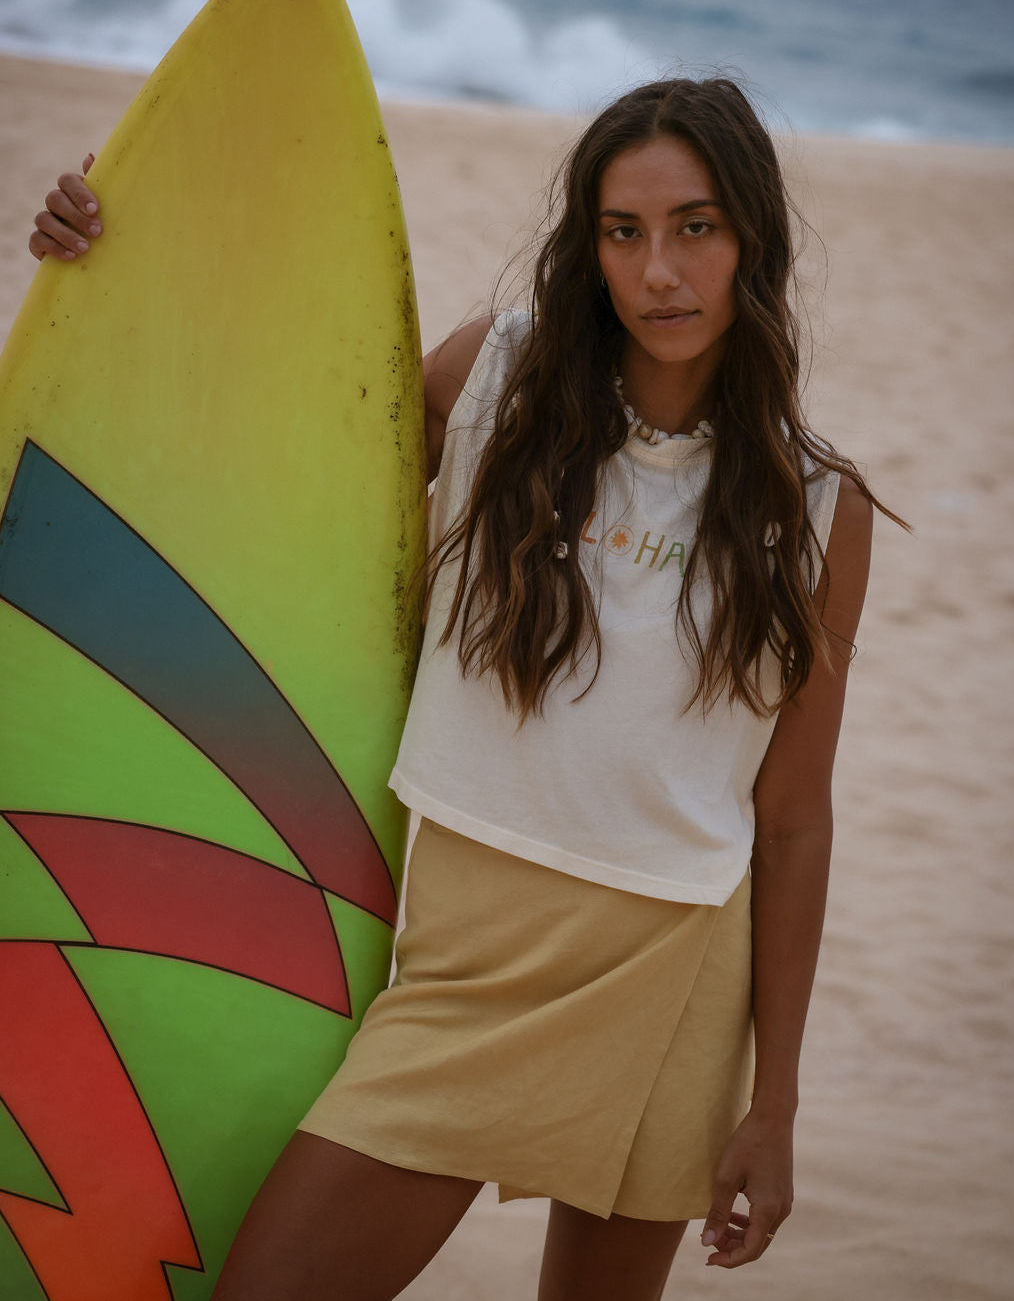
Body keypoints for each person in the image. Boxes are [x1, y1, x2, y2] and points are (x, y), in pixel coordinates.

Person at [31, 77, 884, 1301]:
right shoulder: (499, 381)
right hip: (458, 959)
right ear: (587, 246)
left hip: (668, 969)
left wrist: (776, 1100)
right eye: (623, 230)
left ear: (753, 235)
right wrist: (113, 259)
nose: (660, 271)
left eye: (695, 226)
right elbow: (271, 437)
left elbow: (795, 815)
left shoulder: (813, 511)